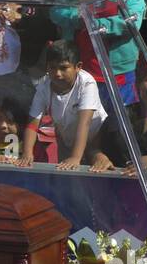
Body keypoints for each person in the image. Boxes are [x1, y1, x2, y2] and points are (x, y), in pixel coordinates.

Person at [18, 39, 104, 169]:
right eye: (52, 68)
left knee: (95, 170)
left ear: (78, 67)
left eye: (64, 68)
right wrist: (27, 153)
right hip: (66, 140)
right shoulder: (43, 87)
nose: (57, 73)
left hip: (94, 141)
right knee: (66, 176)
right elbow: (32, 124)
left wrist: (75, 157)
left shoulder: (87, 84)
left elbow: (85, 123)